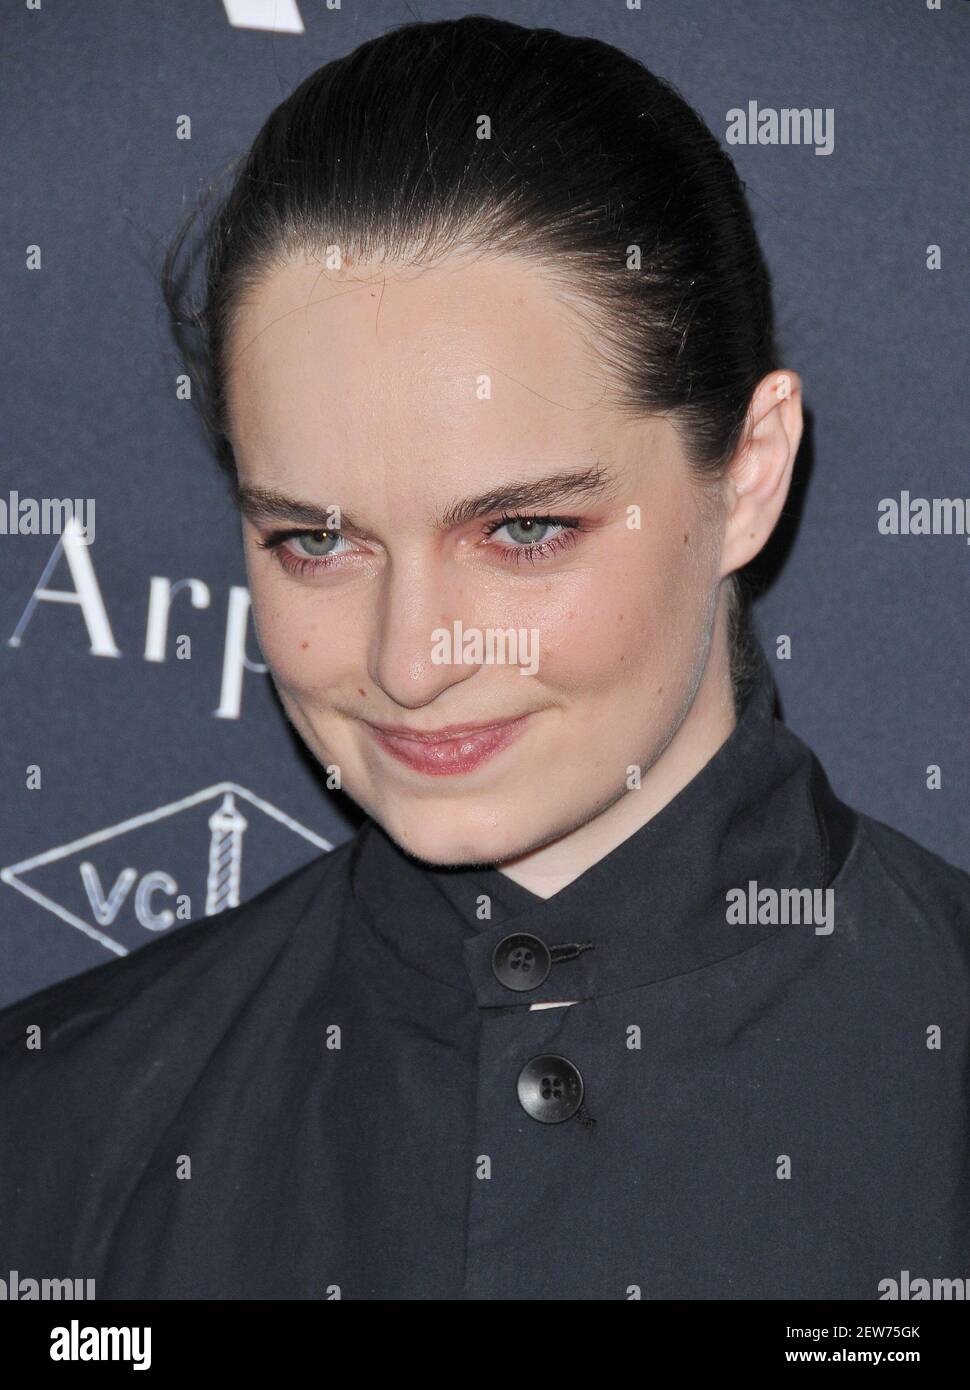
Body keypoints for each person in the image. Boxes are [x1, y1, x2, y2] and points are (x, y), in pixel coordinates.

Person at [1, 14, 968, 1301]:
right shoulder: (59, 1125)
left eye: (523, 530)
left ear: (747, 474)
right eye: (314, 541)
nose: (411, 660)